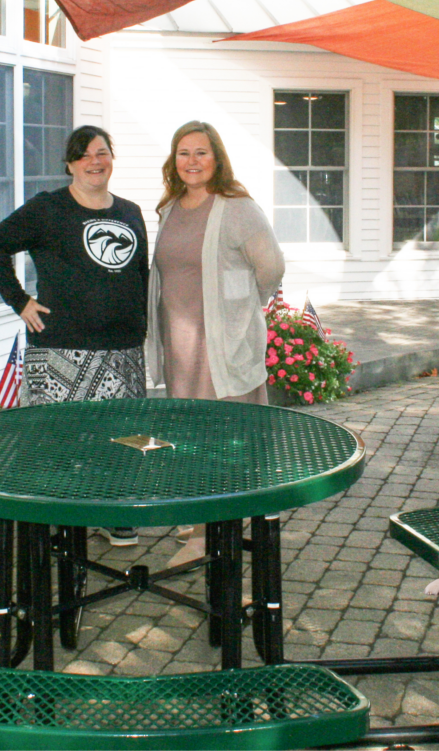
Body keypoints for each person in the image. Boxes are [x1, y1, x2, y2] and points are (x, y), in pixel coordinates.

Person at [0, 125, 149, 545]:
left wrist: (140, 327)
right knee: (58, 438)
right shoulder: (48, 209)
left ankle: (114, 511)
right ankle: (59, 514)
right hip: (61, 348)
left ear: (113, 157)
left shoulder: (129, 211)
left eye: (102, 152)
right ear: (71, 164)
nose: (95, 161)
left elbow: (139, 274)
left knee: (122, 436)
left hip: (120, 349)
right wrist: (19, 301)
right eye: (84, 155)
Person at [147, 121, 284, 565]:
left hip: (220, 346)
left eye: (201, 153)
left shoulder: (236, 208)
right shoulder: (171, 207)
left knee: (221, 438)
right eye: (183, 152)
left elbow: (272, 266)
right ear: (174, 160)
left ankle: (206, 539)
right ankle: (203, 517)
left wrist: (244, 306)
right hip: (180, 345)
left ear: (217, 159)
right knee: (189, 437)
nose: (192, 161)